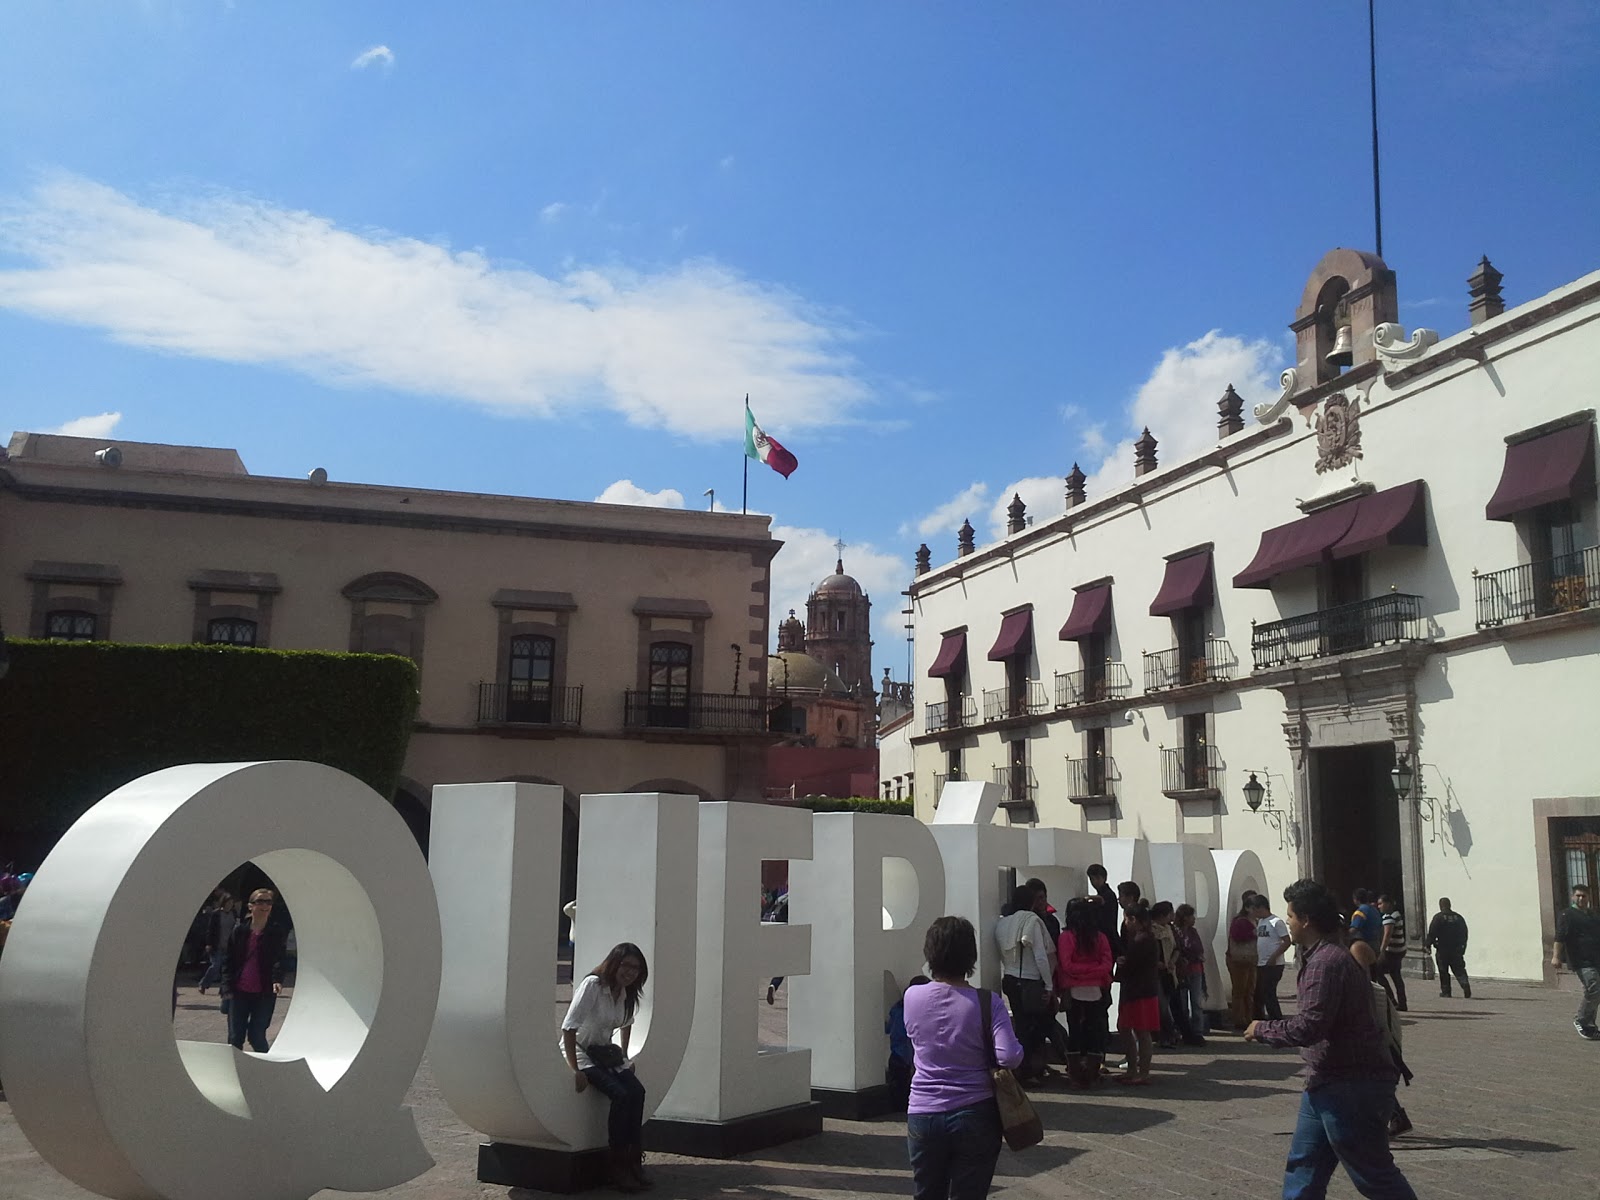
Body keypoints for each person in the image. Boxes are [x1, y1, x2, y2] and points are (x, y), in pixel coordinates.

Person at [1247, 880, 1418, 1200]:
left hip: (1351, 1085)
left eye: (1291, 917)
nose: (1288, 923)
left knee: (1374, 1174)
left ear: (1307, 920)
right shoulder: (1324, 956)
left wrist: (1262, 1029)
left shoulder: (1325, 963)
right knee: (1304, 1168)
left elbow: (1309, 1027)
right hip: (1325, 1080)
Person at [904, 915, 1022, 1200]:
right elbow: (1010, 1056)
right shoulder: (987, 1001)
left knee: (927, 1193)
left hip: (923, 1111)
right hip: (975, 1110)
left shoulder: (912, 996)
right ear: (970, 955)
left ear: (930, 952)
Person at [561, 941, 652, 1192]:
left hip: (605, 1055)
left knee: (638, 1092)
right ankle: (617, 1164)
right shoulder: (593, 985)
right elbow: (569, 1028)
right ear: (614, 962)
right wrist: (575, 1069)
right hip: (581, 1054)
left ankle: (634, 1160)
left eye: (636, 968)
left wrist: (624, 1056)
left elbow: (627, 1023)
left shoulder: (624, 992)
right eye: (626, 965)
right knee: (620, 1095)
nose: (630, 972)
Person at [1347, 938, 1413, 1137]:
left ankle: (1387, 1119)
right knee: (1368, 1077)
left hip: (1374, 1025)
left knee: (1368, 1077)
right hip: (1375, 1024)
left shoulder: (1356, 946)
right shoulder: (1353, 945)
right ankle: (1395, 1117)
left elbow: (1363, 981)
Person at [994, 883, 1054, 1082]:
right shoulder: (1031, 921)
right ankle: (1031, 1070)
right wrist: (1049, 985)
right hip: (1030, 981)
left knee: (1020, 1026)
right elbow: (1040, 956)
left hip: (1010, 980)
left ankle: (1020, 1070)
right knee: (1034, 1028)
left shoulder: (1002, 923)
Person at [221, 888, 288, 1053]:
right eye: (260, 901)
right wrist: (226, 986)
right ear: (251, 906)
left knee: (257, 1036)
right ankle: (234, 1071)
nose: (265, 905)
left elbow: (279, 958)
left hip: (264, 992)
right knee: (235, 1037)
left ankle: (266, 1071)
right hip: (239, 991)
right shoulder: (240, 931)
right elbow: (228, 960)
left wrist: (277, 979)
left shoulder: (275, 931)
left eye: (268, 902)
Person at [1056, 896, 1112, 1086]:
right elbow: (1106, 965)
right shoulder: (1100, 937)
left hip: (1074, 989)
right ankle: (1092, 1073)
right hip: (1096, 989)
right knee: (1094, 1031)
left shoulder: (1066, 937)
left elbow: (1067, 965)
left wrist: (1081, 972)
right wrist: (1093, 971)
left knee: (1076, 1032)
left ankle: (1075, 1075)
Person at [1114, 901, 1160, 1085]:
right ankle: (1134, 1068)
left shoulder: (1142, 940)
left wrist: (1122, 964)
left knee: (1141, 1031)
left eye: (1126, 919)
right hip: (1138, 990)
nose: (1125, 923)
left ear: (1133, 919)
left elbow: (1131, 966)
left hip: (1139, 992)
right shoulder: (1142, 937)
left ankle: (1143, 1071)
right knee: (1126, 1029)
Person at [1025, 878, 1069, 1066]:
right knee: (1044, 1023)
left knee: (1046, 1021)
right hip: (1034, 978)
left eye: (1043, 897)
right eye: (1036, 898)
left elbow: (1053, 953)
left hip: (1049, 976)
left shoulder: (1051, 921)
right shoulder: (1029, 922)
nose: (1040, 902)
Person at [1551, 883, 1600, 1040]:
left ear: (1588, 898)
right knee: (1594, 988)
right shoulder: (1567, 915)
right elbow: (1559, 937)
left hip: (1596, 959)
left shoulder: (1592, 916)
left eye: (1583, 896)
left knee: (1596, 991)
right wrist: (1556, 956)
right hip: (1581, 961)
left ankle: (1590, 1025)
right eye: (1578, 895)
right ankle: (1582, 1020)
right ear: (1573, 897)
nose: (1580, 898)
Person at [886, 975, 929, 1109]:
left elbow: (889, 1028)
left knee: (898, 1087)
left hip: (897, 1055)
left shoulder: (897, 1008)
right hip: (911, 1056)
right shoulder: (919, 1011)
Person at [1173, 903, 1209, 1043]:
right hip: (1181, 971)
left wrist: (1192, 956)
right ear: (1184, 917)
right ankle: (1184, 1030)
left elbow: (1198, 949)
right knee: (1182, 1002)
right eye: (1191, 916)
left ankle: (1197, 1031)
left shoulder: (1193, 932)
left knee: (1196, 1001)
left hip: (1195, 969)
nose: (1193, 919)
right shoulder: (1175, 932)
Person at [1253, 893, 1291, 1021]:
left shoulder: (1276, 922)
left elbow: (1286, 941)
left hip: (1273, 964)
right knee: (1261, 993)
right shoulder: (1261, 922)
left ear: (1261, 907)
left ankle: (1276, 1018)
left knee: (1269, 992)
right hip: (1262, 962)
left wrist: (1274, 956)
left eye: (1255, 909)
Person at [1423, 898, 1471, 998]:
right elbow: (1464, 933)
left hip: (1442, 948)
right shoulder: (1458, 917)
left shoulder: (1438, 917)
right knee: (1459, 969)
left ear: (1441, 906)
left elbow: (1432, 933)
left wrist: (1428, 945)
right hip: (1456, 949)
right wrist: (1463, 947)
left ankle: (1446, 992)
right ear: (1450, 904)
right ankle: (1464, 983)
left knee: (1443, 971)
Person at [1226, 890, 1259, 1031]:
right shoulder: (1240, 921)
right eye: (1254, 907)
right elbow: (1237, 937)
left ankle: (1248, 1017)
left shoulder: (1256, 921)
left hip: (1251, 959)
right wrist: (1253, 934)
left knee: (1250, 990)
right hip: (1239, 960)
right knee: (1240, 990)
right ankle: (1239, 1019)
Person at [198, 891, 236, 997]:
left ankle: (223, 989)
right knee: (215, 965)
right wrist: (209, 943)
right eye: (228, 902)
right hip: (217, 944)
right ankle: (204, 984)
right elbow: (210, 930)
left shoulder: (233, 914)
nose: (230, 905)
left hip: (229, 945)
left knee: (226, 968)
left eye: (231, 903)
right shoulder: (216, 914)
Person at [1374, 895, 1408, 1012]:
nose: (1379, 907)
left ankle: (1391, 1000)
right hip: (1400, 949)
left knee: (1378, 972)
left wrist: (1381, 951)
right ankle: (1402, 1003)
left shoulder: (1389, 917)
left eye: (1380, 904)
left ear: (1388, 904)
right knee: (1396, 976)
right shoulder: (1397, 914)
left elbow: (1387, 935)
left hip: (1392, 951)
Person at [765, 889, 789, 1005]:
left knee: (783, 963)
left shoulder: (781, 895)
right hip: (792, 934)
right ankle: (775, 984)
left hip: (779, 930)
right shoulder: (794, 898)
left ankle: (774, 984)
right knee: (787, 963)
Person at [1348, 889, 1383, 958]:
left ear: (1355, 899)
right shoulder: (1374, 910)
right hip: (1376, 942)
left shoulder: (1360, 912)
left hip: (1365, 944)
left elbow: (1354, 929)